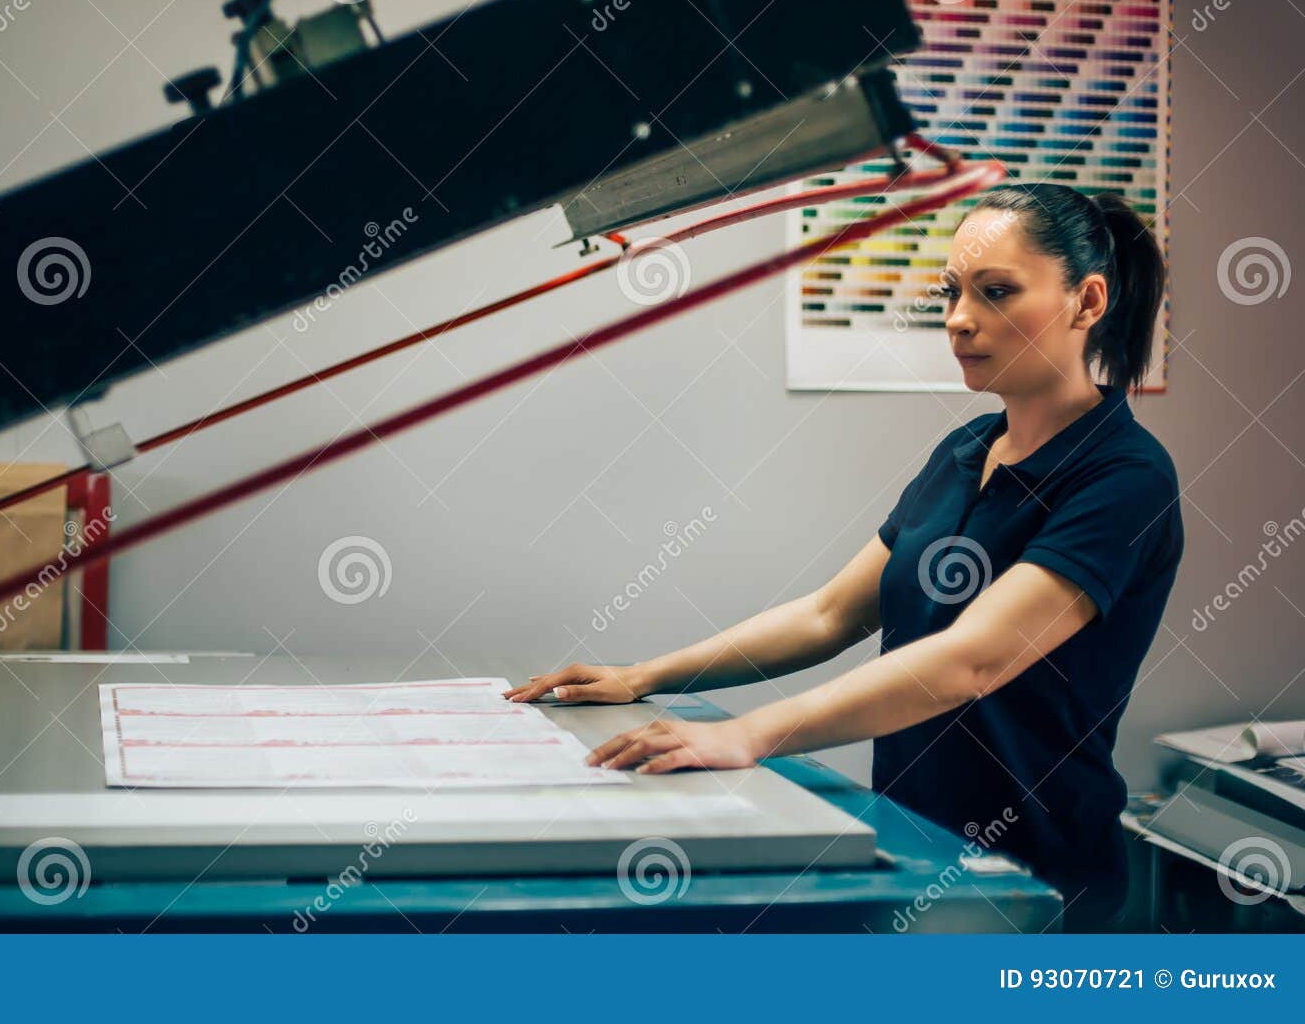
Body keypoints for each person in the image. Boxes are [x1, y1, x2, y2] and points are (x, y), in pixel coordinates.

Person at [506, 183, 1182, 932]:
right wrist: (646, 674)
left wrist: (747, 732)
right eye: (951, 291)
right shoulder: (965, 451)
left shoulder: (1125, 476)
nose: (959, 320)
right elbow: (831, 613)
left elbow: (972, 660)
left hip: (1039, 882)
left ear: (1087, 301)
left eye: (996, 292)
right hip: (914, 844)